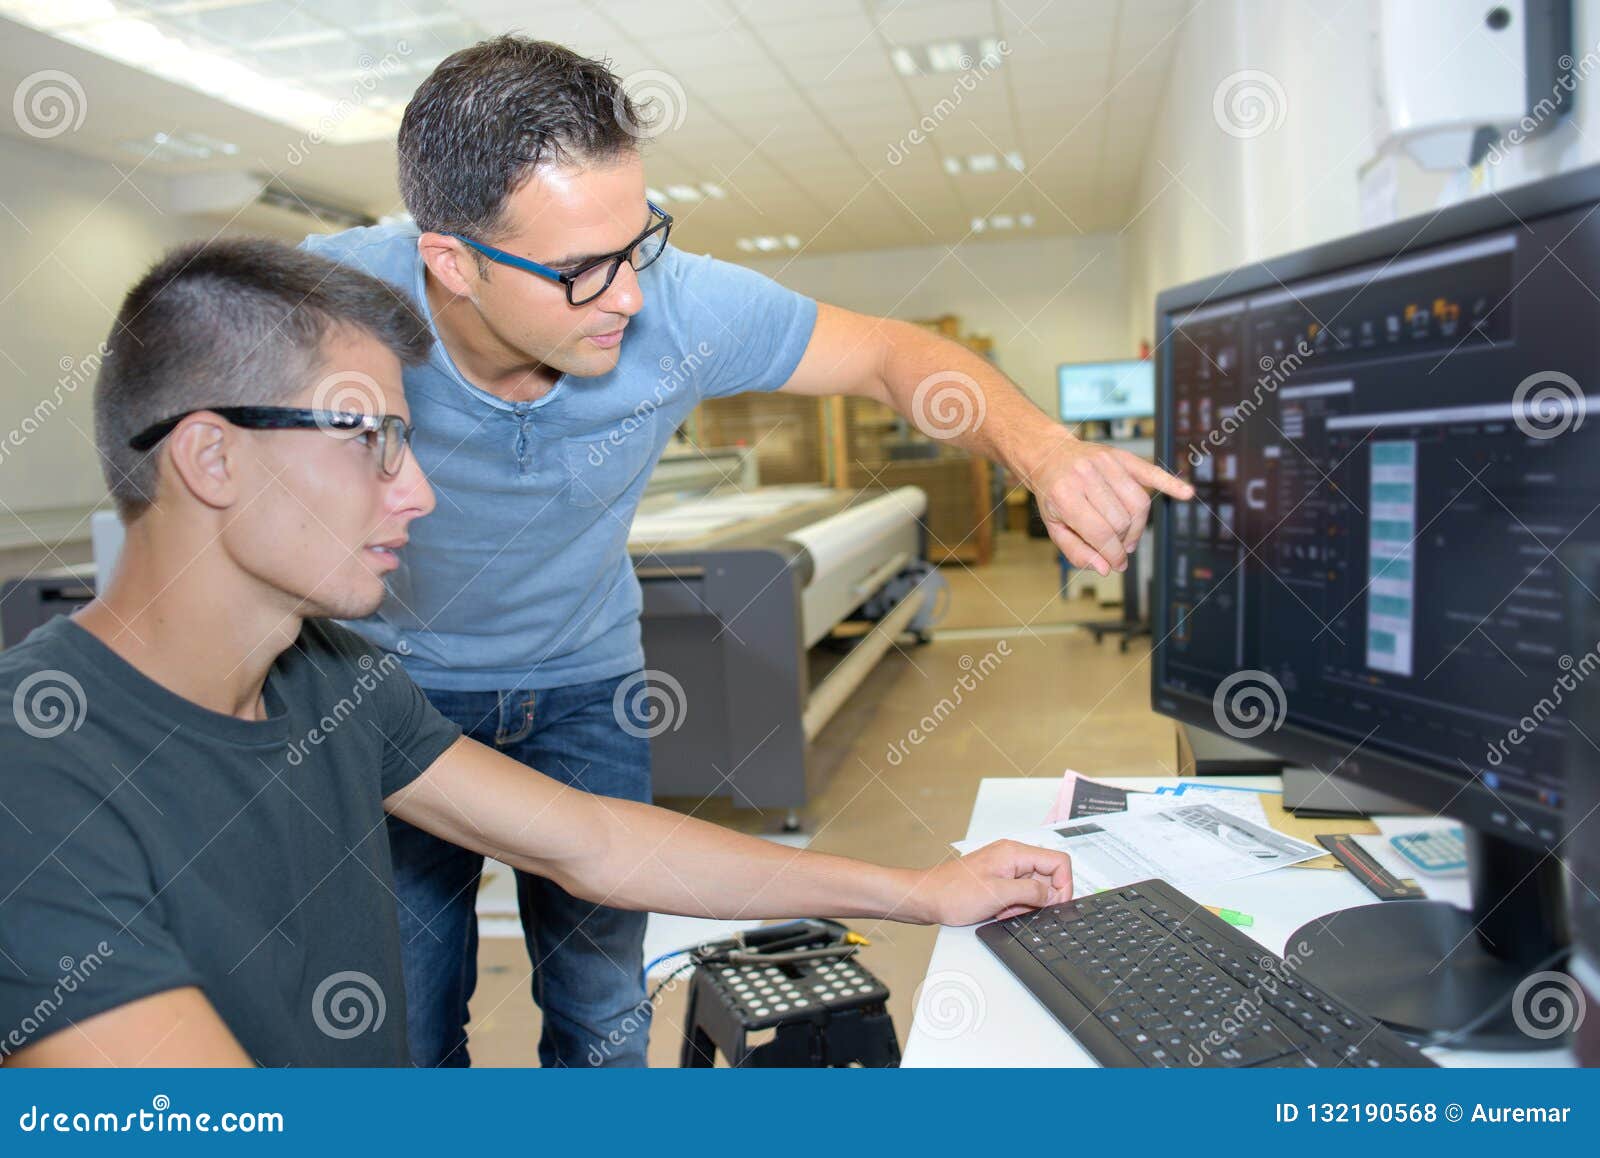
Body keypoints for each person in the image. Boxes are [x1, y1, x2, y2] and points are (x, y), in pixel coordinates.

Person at [299, 36, 1191, 1068]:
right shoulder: (324, 304)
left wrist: (1045, 451)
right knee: (410, 1017)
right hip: (391, 690)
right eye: (583, 270)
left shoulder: (673, 304)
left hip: (585, 680)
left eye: (640, 242)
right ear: (449, 261)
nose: (629, 294)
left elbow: (894, 356)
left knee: (600, 1013)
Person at [0, 239, 1072, 1068]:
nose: (418, 491)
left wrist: (921, 891)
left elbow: (597, 844)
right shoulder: (34, 771)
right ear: (210, 456)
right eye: (370, 437)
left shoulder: (332, 684)